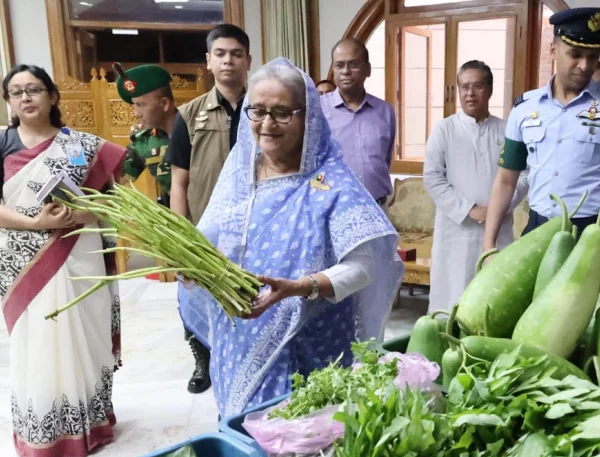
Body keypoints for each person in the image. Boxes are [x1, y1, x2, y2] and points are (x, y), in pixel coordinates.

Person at [178, 58, 403, 418]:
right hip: (237, 334)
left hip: (306, 339)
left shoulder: (330, 182)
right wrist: (192, 269)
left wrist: (300, 287)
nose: (267, 124)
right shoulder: (238, 171)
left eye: (282, 112)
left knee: (296, 441)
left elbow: (363, 267)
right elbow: (211, 239)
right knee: (242, 435)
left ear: (308, 116)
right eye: (258, 111)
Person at [0, 64, 125, 457]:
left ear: (53, 96)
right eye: (17, 92)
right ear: (8, 101)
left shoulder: (77, 146)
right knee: (36, 343)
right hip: (24, 260)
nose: (26, 98)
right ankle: (46, 433)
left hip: (77, 252)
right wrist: (35, 223)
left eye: (35, 89)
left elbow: (110, 200)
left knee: (84, 337)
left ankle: (90, 424)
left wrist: (82, 216)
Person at [484, 7, 600, 264]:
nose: (584, 65)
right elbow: (505, 180)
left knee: (592, 306)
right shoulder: (525, 109)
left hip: (591, 236)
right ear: (553, 49)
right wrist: (488, 243)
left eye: (593, 57)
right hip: (536, 231)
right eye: (575, 54)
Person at [165, 23, 252, 394]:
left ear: (248, 60)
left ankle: (249, 356)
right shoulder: (189, 115)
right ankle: (203, 359)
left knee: (248, 298)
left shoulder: (262, 108)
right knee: (196, 297)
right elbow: (179, 183)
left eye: (235, 54)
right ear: (208, 61)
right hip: (205, 230)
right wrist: (183, 241)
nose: (228, 61)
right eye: (220, 54)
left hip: (253, 227)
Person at [424, 61, 521, 312]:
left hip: (498, 229)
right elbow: (432, 178)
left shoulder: (508, 130)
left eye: (477, 86)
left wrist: (499, 207)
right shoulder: (444, 129)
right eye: (464, 87)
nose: (470, 93)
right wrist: (470, 209)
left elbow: (525, 175)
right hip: (455, 232)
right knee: (452, 299)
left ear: (489, 90)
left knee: (494, 299)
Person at [321, 38, 396, 207]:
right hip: (334, 208)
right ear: (333, 70)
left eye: (353, 64)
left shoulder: (385, 111)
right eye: (339, 65)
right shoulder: (318, 111)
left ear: (367, 70)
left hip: (377, 207)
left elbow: (385, 159)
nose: (345, 71)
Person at [117, 63, 177, 207]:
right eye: (134, 105)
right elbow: (119, 178)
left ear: (164, 104)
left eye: (141, 105)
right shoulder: (144, 139)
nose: (136, 113)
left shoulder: (197, 131)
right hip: (175, 216)